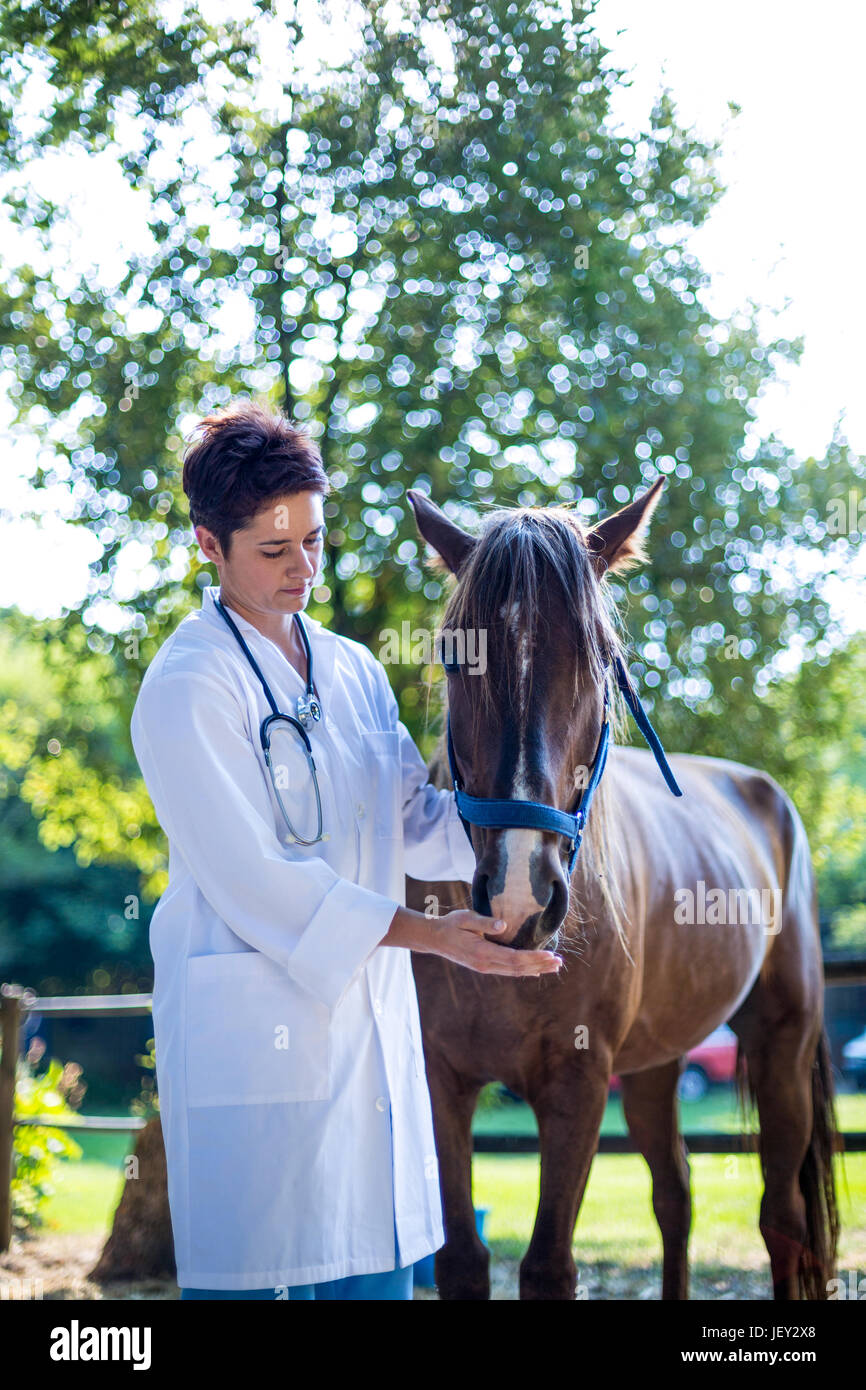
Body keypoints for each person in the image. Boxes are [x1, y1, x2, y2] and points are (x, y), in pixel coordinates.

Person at [129, 400, 563, 1301]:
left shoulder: (354, 670)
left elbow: (414, 818)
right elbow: (260, 884)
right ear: (210, 545)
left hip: (372, 1069)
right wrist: (441, 935)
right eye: (274, 551)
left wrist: (531, 821)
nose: (304, 570)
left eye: (316, 541)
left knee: (377, 1277)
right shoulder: (186, 686)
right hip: (254, 1068)